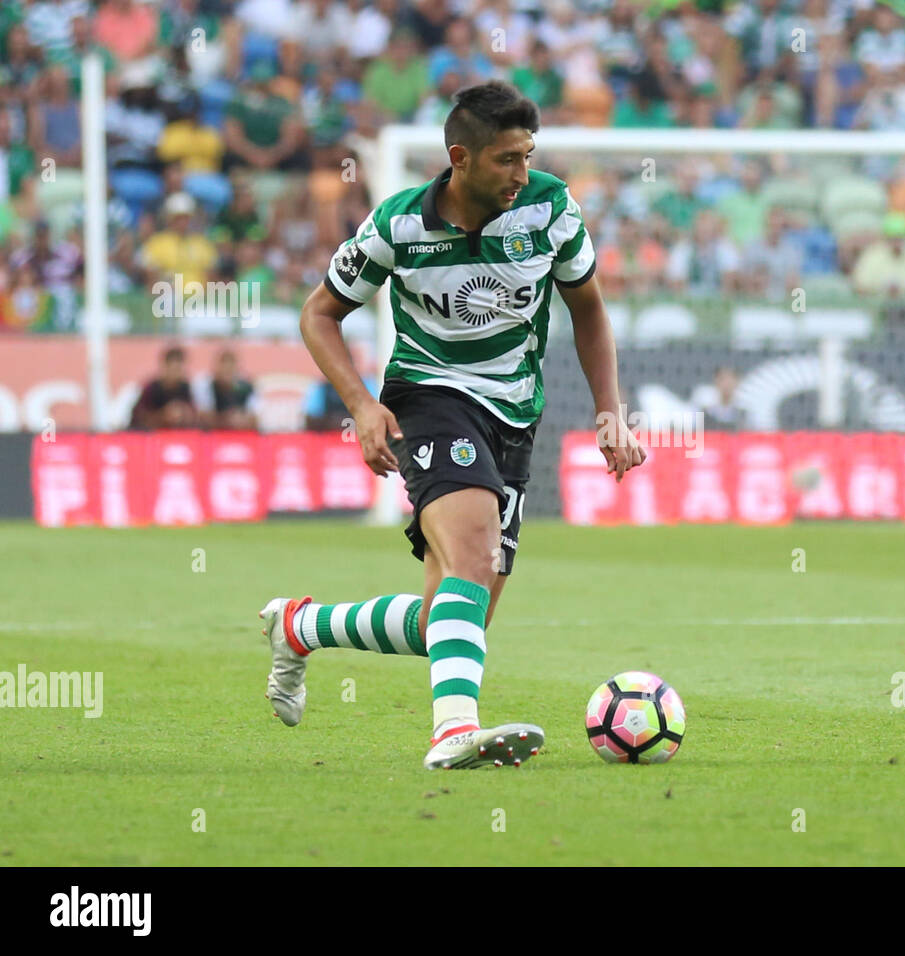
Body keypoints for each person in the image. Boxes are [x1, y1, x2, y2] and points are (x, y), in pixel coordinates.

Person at [259, 81, 645, 770]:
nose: (522, 174)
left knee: (455, 616)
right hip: (429, 399)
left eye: (528, 156)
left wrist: (609, 411)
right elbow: (319, 313)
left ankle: (300, 625)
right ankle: (453, 732)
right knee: (471, 555)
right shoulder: (396, 226)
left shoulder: (551, 209)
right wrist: (360, 403)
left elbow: (588, 309)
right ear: (460, 157)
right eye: (506, 160)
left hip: (515, 414)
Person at [129, 345, 198, 429]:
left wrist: (185, 414)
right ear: (165, 367)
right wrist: (163, 415)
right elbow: (138, 417)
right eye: (173, 369)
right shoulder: (151, 389)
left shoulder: (187, 389)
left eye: (178, 369)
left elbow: (195, 416)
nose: (175, 374)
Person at [198, 348, 258, 430]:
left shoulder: (246, 388)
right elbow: (204, 417)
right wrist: (226, 419)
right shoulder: (207, 385)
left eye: (231, 363)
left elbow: (256, 418)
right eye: (224, 363)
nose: (227, 367)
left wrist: (241, 420)